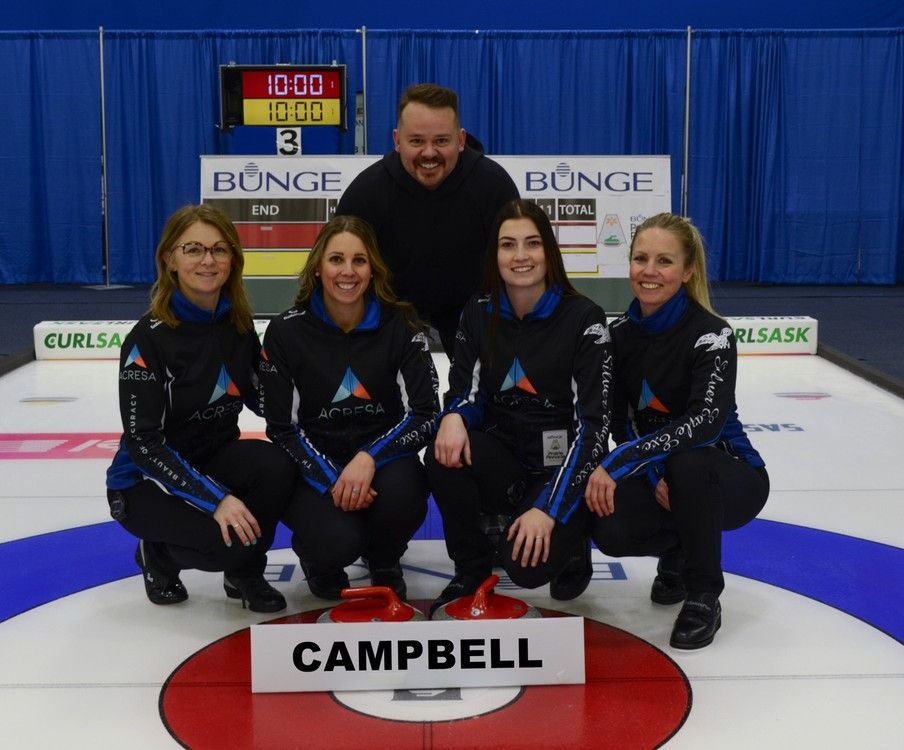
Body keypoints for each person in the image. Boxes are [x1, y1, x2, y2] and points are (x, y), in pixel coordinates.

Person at [585, 212, 769, 650]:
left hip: (729, 475)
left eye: (664, 261)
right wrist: (651, 475)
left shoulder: (713, 335)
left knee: (689, 464)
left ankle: (704, 594)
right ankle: (678, 550)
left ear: (687, 271)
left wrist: (622, 464)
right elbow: (618, 423)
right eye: (640, 258)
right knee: (609, 527)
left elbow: (704, 425)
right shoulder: (618, 336)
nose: (649, 271)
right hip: (663, 473)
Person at [106, 204, 295, 613]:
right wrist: (217, 500)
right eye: (193, 249)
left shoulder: (238, 325)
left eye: (219, 250)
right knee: (219, 544)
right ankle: (157, 556)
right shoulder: (147, 341)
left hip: (213, 458)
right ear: (170, 259)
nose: (208, 261)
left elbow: (264, 402)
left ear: (233, 260)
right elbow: (144, 445)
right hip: (144, 482)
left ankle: (245, 571)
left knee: (276, 466)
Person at [425, 199, 613, 613]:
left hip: (563, 468)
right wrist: (454, 415)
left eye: (531, 243)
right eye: (508, 245)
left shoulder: (584, 318)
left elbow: (593, 428)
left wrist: (548, 506)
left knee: (525, 569)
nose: (520, 256)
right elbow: (465, 393)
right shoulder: (477, 312)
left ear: (549, 251)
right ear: (495, 255)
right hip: (506, 459)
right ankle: (471, 569)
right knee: (443, 452)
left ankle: (574, 539)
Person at [259, 215, 439, 601]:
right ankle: (317, 557)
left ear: (372, 269)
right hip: (315, 466)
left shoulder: (402, 325)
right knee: (337, 541)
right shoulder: (286, 331)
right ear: (318, 268)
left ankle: (385, 557)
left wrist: (369, 458)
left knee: (406, 495)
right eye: (336, 259)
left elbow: (425, 413)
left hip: (381, 461)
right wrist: (330, 477)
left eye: (359, 260)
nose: (348, 271)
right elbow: (281, 428)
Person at [336, 83, 519, 355]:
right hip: (387, 325)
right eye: (417, 141)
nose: (429, 153)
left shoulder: (493, 186)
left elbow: (521, 269)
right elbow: (334, 273)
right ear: (397, 141)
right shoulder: (366, 193)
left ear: (461, 140)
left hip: (480, 324)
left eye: (441, 141)